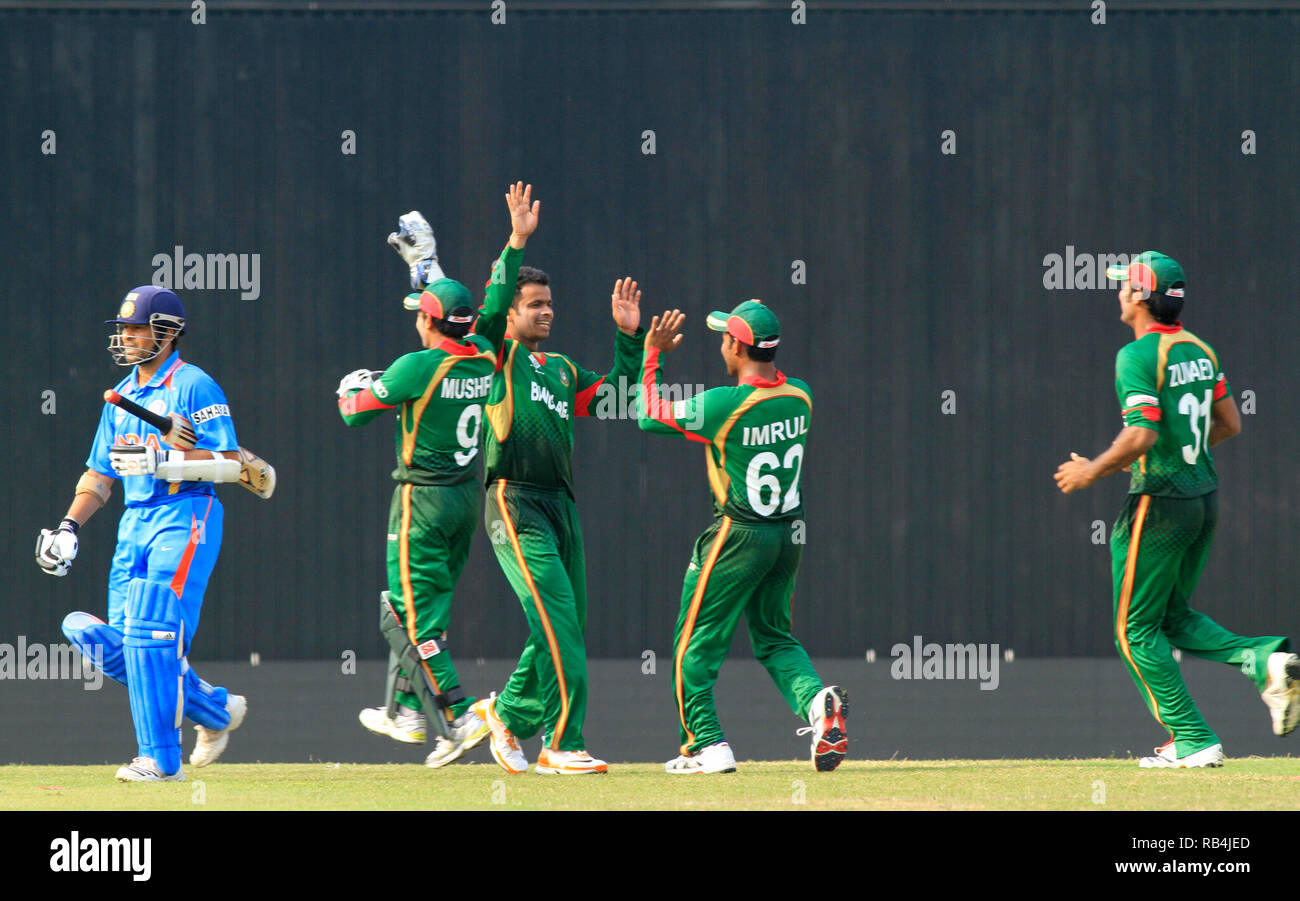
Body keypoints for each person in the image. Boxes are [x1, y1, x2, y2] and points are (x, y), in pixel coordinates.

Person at [1054, 251, 1300, 767]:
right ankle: (1261, 659)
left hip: (1159, 507)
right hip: (1202, 500)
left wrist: (1092, 470)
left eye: (1125, 284)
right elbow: (1229, 424)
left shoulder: (1137, 356)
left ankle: (1191, 738)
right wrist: (1153, 457)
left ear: (1140, 296)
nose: (1118, 291)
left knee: (1133, 630)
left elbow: (1141, 432)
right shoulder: (1199, 348)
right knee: (1173, 617)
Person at [467, 182, 645, 775]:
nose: (547, 310)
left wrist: (629, 338)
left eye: (549, 302)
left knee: (562, 622)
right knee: (559, 621)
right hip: (513, 500)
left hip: (560, 507)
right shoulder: (497, 357)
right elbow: (488, 315)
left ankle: (509, 713)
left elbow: (622, 399)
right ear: (514, 313)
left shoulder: (562, 367)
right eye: (535, 304)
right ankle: (562, 743)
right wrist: (516, 242)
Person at [38, 286, 247, 782]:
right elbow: (99, 475)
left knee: (152, 628)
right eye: (123, 329)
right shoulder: (122, 395)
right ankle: (214, 711)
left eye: (136, 328)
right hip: (134, 521)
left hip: (185, 512)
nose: (126, 337)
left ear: (167, 332)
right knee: (113, 640)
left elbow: (233, 463)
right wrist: (69, 526)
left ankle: (159, 759)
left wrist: (169, 459)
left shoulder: (194, 385)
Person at [636, 301, 847, 774]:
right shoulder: (801, 395)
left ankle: (705, 745)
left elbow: (648, 415)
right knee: (774, 637)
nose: (720, 346)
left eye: (722, 338)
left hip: (738, 534)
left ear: (736, 345)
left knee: (695, 643)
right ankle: (818, 703)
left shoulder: (724, 404)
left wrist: (652, 354)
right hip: (788, 534)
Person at [337, 268, 496, 768]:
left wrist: (349, 388)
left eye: (420, 316)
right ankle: (405, 710)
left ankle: (459, 714)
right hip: (466, 500)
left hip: (421, 502)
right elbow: (487, 315)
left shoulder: (416, 366)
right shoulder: (488, 358)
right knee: (426, 611)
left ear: (430, 323)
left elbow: (354, 413)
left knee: (402, 614)